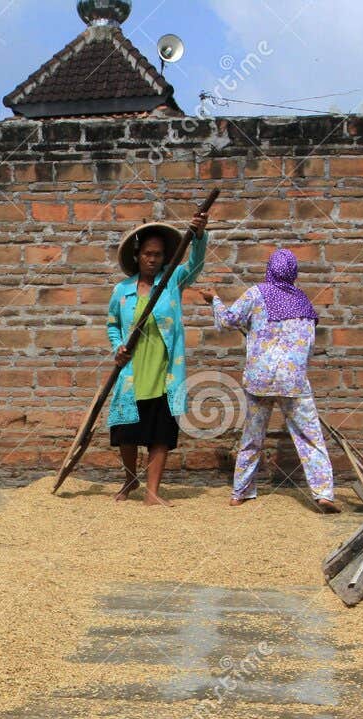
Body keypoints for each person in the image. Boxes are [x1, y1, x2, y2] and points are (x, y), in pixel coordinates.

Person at [197, 248, 339, 513]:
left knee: (252, 436)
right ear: (294, 273)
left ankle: (240, 492)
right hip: (293, 381)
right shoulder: (304, 304)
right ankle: (324, 494)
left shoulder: (257, 293)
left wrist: (213, 300)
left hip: (259, 379)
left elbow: (229, 321)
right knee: (311, 438)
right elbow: (308, 346)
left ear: (269, 269)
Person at [106, 210, 209, 506]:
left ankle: (153, 492)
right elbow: (112, 324)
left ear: (165, 257)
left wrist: (199, 235)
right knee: (126, 432)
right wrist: (118, 347)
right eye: (148, 254)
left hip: (165, 371)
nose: (153, 259)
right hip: (131, 372)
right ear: (138, 256)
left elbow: (196, 264)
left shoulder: (173, 281)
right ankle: (129, 479)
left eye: (159, 255)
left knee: (159, 433)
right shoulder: (122, 291)